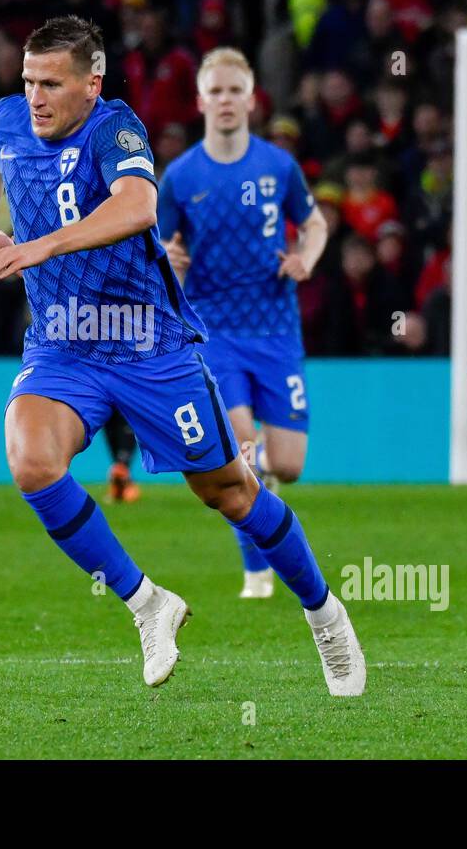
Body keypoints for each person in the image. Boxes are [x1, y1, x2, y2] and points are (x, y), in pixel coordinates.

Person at [0, 15, 363, 694]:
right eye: (29, 81)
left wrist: (42, 244)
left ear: (91, 86)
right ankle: (148, 603)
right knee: (31, 462)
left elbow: (136, 208)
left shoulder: (115, 129)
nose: (35, 97)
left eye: (52, 85)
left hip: (149, 347)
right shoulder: (8, 119)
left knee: (231, 493)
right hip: (63, 345)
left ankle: (325, 613)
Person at [157, 47, 329, 599]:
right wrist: (170, 261)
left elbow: (316, 222)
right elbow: (153, 250)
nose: (226, 100)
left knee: (288, 465)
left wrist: (306, 258)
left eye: (236, 91)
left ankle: (264, 519)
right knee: (245, 448)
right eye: (217, 91)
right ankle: (256, 571)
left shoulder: (278, 165)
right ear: (200, 100)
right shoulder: (181, 177)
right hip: (217, 334)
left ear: (251, 100)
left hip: (277, 330)